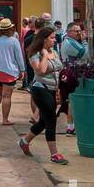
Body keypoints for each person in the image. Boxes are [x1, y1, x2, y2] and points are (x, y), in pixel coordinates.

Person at [18, 25, 68, 165]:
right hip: (40, 89)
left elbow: (59, 68)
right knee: (51, 120)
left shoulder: (55, 52)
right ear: (44, 39)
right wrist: (45, 55)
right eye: (51, 38)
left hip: (53, 89)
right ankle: (54, 154)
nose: (54, 40)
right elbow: (40, 71)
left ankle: (24, 141)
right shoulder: (35, 53)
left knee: (44, 121)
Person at [0, 18, 26, 125]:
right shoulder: (14, 40)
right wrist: (22, 70)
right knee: (6, 96)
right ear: (11, 28)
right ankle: (5, 119)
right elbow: (19, 57)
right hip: (10, 72)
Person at [59, 21, 88, 135]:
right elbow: (85, 54)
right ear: (69, 32)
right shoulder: (69, 42)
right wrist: (85, 41)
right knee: (72, 100)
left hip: (71, 72)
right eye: (76, 31)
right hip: (73, 73)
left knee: (71, 100)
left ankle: (72, 126)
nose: (79, 33)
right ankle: (70, 127)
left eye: (80, 31)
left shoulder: (70, 41)